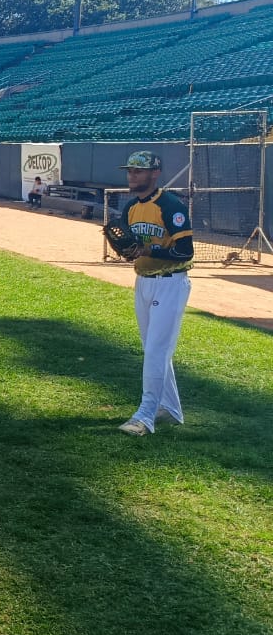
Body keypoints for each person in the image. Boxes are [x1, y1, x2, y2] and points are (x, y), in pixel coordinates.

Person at [113, 151, 193, 437]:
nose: (132, 175)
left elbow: (186, 250)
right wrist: (127, 251)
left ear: (154, 173)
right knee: (154, 350)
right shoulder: (131, 208)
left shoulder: (171, 206)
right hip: (144, 282)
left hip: (170, 283)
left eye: (138, 171)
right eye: (130, 170)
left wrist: (150, 250)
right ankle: (170, 409)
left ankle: (144, 416)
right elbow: (133, 246)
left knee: (157, 350)